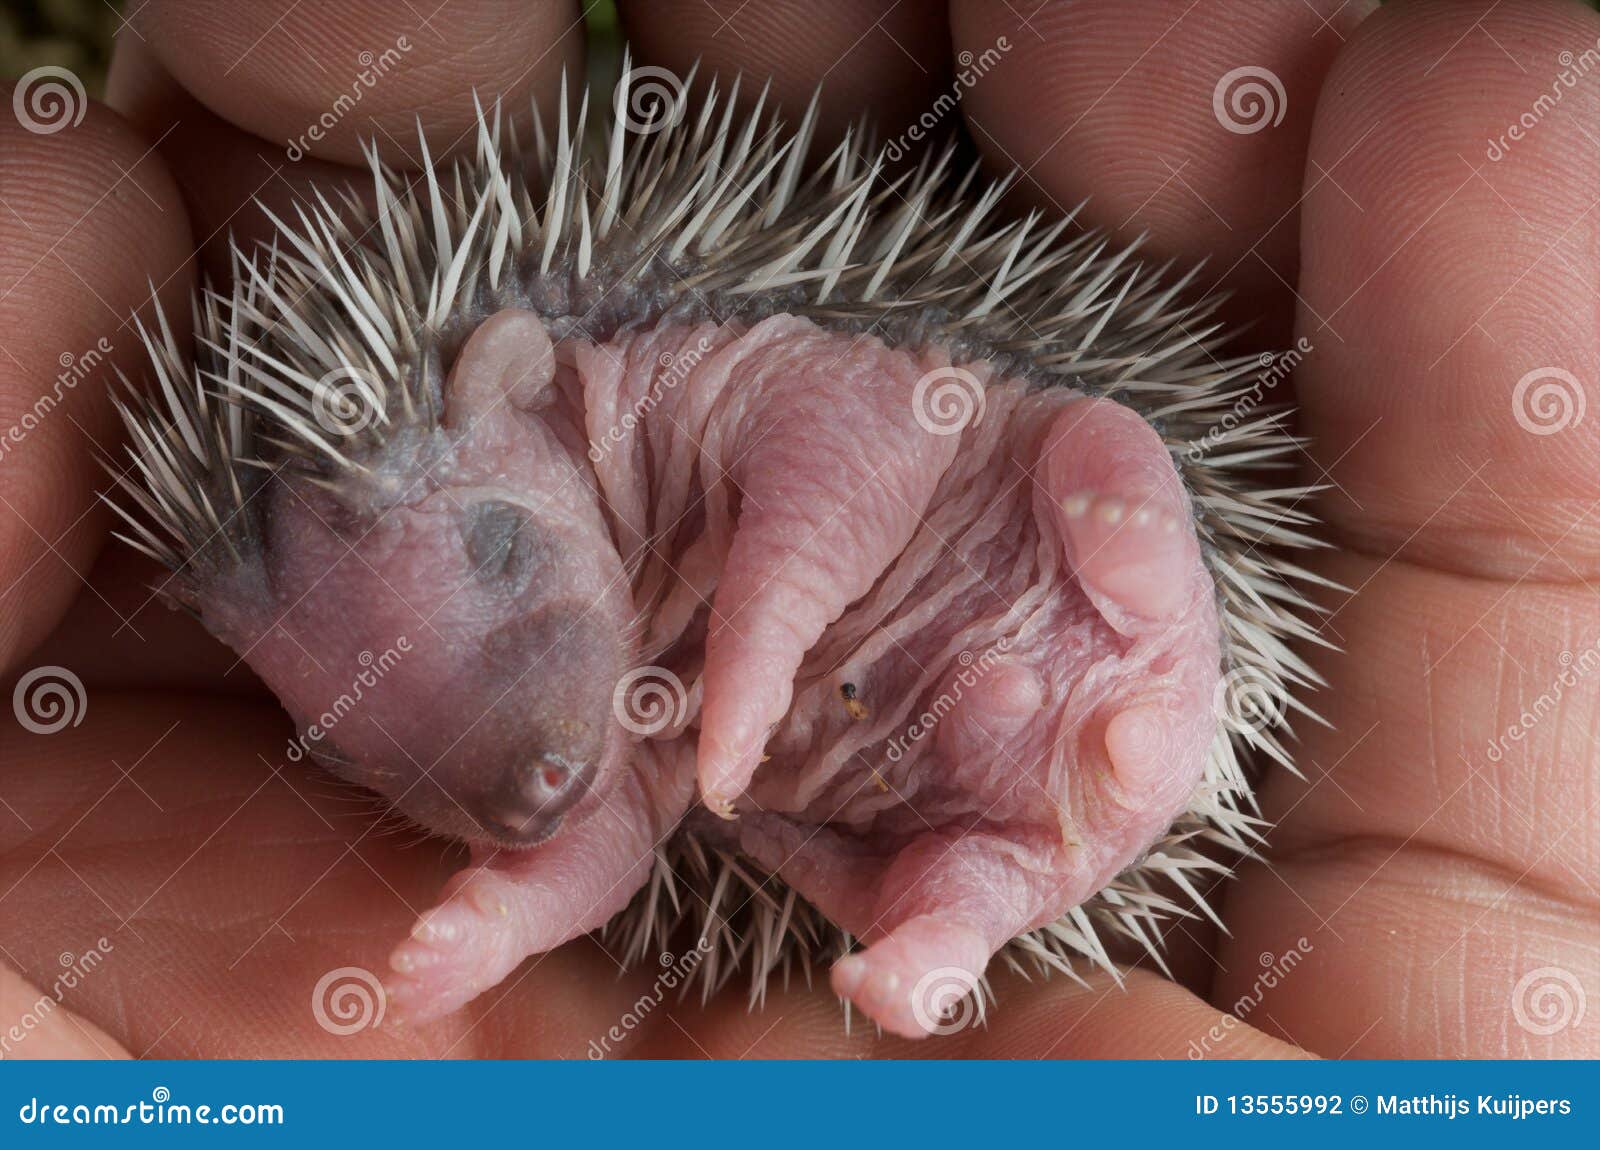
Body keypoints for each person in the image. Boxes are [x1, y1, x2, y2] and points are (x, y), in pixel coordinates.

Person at [0, 0, 1593, 1059]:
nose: (522, 759)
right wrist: (499, 908)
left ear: (517, 385)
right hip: (917, 797)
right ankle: (952, 920)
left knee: (1102, 473)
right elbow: (593, 813)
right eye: (364, 732)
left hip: (1051, 603)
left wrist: (751, 671)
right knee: (826, 853)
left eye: (500, 566)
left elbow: (846, 490)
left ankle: (1109, 733)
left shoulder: (714, 385)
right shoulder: (564, 689)